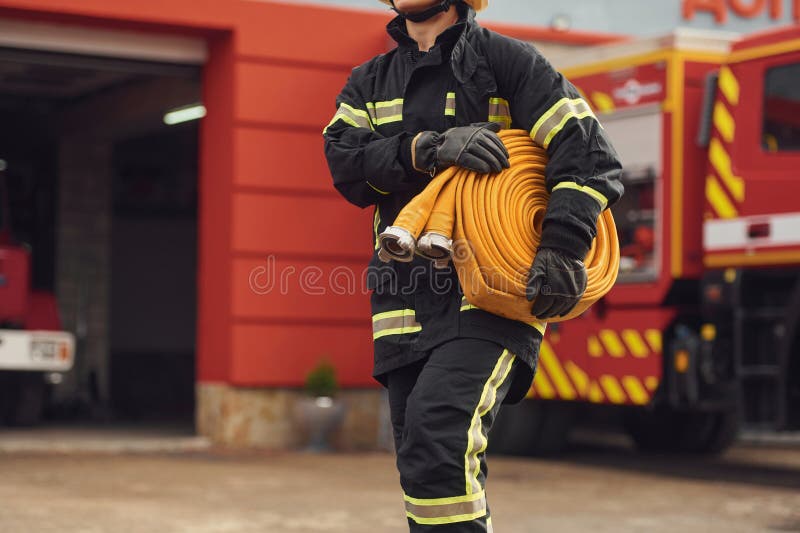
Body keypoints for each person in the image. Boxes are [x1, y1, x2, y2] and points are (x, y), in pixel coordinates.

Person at [323, 1, 623, 530]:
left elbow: (589, 153)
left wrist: (561, 245)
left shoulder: (508, 63)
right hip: (401, 300)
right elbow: (346, 164)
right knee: (424, 457)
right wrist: (426, 148)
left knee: (439, 431)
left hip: (488, 293)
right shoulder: (368, 81)